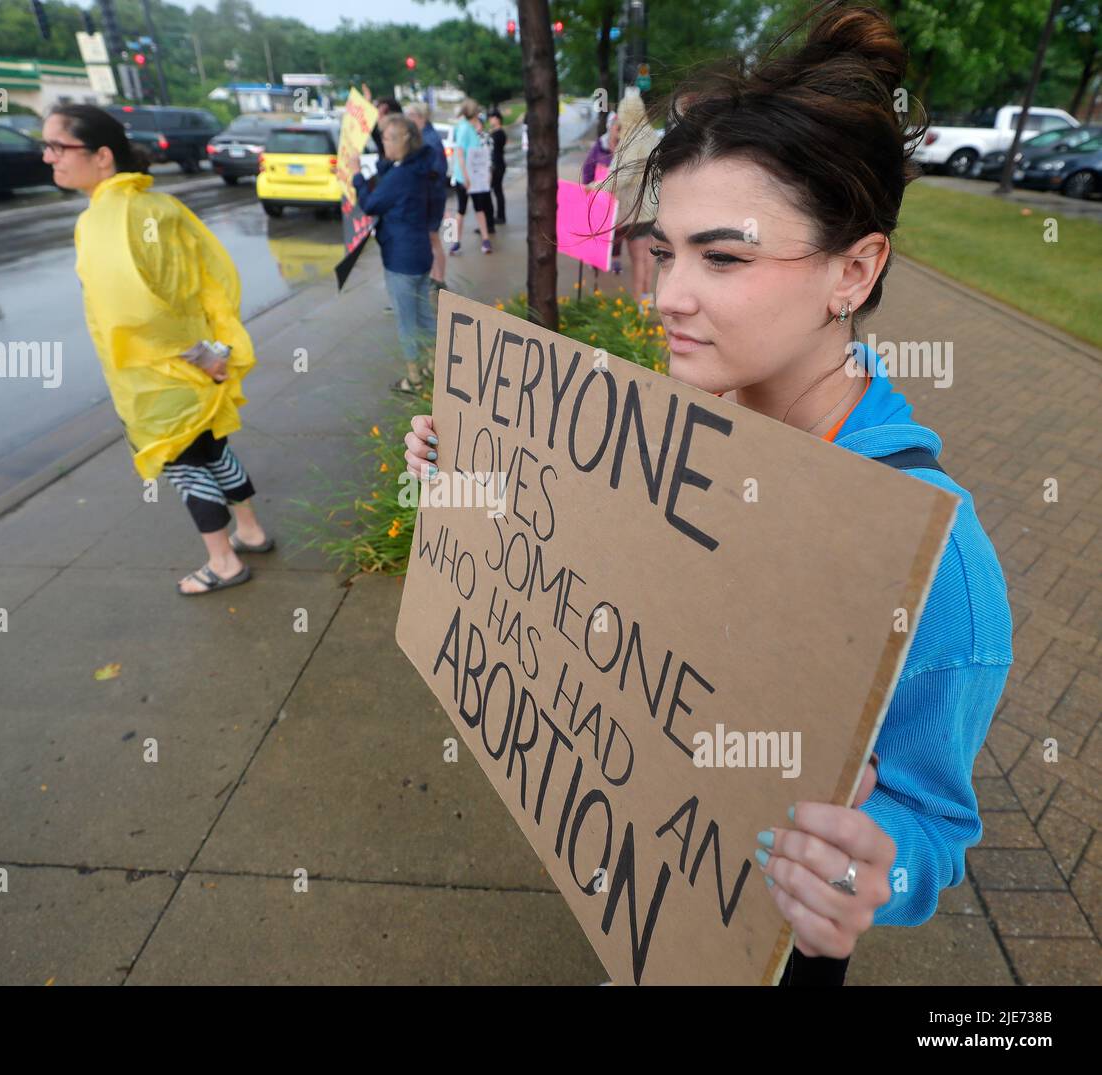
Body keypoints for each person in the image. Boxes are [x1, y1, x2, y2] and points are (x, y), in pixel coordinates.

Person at [401, 0, 1013, 986]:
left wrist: (876, 868)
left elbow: (931, 825)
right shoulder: (667, 429)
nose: (666, 295)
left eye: (722, 257)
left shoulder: (934, 562)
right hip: (649, 891)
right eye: (664, 250)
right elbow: (596, 582)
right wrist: (472, 480)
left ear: (853, 271)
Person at [43, 104, 272, 596]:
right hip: (203, 365)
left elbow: (136, 313)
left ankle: (224, 562)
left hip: (160, 377)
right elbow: (218, 277)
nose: (48, 158)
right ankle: (250, 530)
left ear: (102, 156)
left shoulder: (103, 221)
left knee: (186, 466)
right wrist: (219, 349)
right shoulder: (162, 206)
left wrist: (198, 353)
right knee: (214, 448)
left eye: (58, 147)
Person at [349, 114, 438, 392]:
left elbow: (371, 204)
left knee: (406, 320)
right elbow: (387, 173)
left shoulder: (401, 175)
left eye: (388, 138)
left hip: (401, 259)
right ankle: (437, 365)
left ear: (405, 140)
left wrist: (356, 177)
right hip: (420, 255)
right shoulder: (418, 167)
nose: (383, 143)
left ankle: (413, 379)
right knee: (424, 315)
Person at [609, 90, 658, 303]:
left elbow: (623, 177)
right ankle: (648, 297)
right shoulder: (651, 135)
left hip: (634, 208)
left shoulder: (631, 139)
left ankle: (638, 304)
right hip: (653, 208)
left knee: (637, 259)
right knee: (648, 255)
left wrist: (595, 187)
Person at [405, 100, 449, 288]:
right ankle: (435, 277)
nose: (408, 121)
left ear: (419, 116)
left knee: (433, 237)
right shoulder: (424, 136)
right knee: (430, 237)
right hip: (430, 195)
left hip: (433, 196)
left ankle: (439, 280)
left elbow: (438, 170)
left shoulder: (429, 140)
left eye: (410, 117)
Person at [448, 99, 494, 255]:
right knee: (463, 210)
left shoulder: (466, 128)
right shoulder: (465, 129)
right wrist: (467, 177)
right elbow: (460, 154)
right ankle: (456, 242)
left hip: (472, 177)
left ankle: (483, 240)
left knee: (474, 209)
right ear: (474, 113)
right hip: (466, 178)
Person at [581, 114, 622, 272]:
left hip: (618, 194)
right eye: (617, 127)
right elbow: (588, 167)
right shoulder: (600, 145)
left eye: (622, 128)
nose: (619, 131)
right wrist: (587, 187)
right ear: (610, 127)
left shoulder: (626, 146)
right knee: (598, 226)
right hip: (599, 193)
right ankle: (596, 258)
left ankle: (615, 260)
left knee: (617, 228)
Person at [487, 109, 507, 225]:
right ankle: (500, 215)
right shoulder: (496, 133)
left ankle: (499, 216)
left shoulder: (498, 134)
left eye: (492, 118)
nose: (490, 120)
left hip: (497, 165)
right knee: (497, 190)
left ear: (497, 119)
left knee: (497, 190)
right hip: (498, 164)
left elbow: (493, 149)